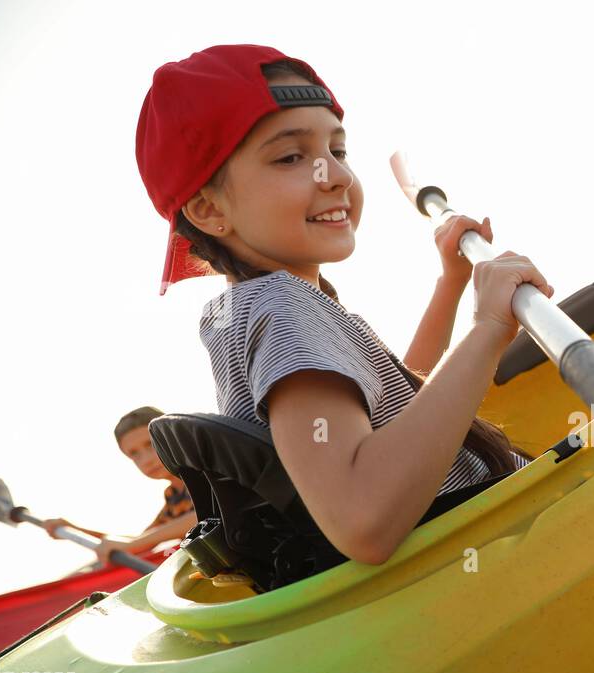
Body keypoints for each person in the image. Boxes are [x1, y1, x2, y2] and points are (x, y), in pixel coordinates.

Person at [136, 45, 552, 566]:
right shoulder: (281, 308)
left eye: (337, 150)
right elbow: (363, 519)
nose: (333, 176)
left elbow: (399, 404)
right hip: (496, 552)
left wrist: (452, 284)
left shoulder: (251, 306)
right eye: (290, 157)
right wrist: (489, 327)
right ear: (208, 208)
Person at [42, 406, 198, 565]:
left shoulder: (204, 474)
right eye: (134, 454)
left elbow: (204, 517)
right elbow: (140, 542)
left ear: (173, 437)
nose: (145, 460)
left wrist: (133, 545)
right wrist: (74, 529)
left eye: (150, 444)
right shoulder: (173, 496)